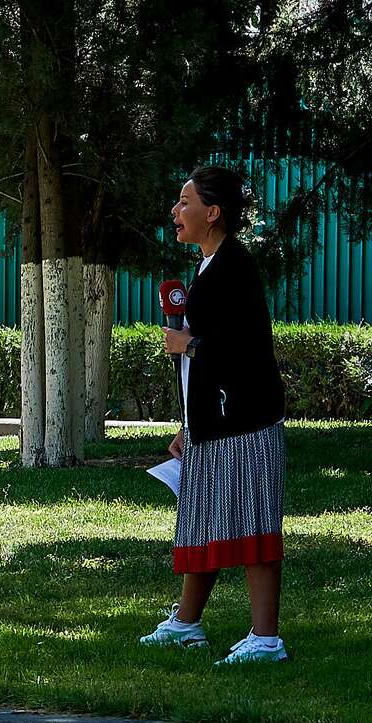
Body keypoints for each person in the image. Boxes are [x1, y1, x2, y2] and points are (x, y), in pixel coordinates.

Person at [141, 166, 289, 666]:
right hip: (213, 424)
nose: (175, 212)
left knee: (254, 526)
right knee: (202, 521)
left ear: (214, 212)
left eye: (185, 203)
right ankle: (186, 624)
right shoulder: (208, 266)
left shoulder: (234, 267)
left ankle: (266, 640)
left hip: (245, 422)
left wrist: (190, 343)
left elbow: (245, 348)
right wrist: (189, 424)